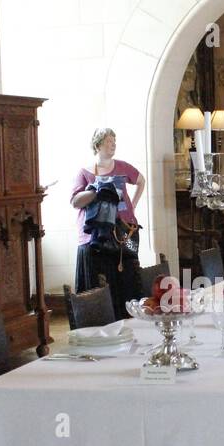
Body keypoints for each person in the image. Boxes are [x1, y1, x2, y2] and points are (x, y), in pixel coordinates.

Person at [70, 128, 145, 318]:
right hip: (97, 235)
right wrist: (97, 190)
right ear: (98, 145)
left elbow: (141, 180)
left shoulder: (122, 166)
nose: (113, 144)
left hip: (123, 231)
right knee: (101, 280)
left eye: (114, 141)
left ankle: (127, 317)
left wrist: (133, 205)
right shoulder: (85, 172)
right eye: (109, 141)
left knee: (127, 278)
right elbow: (75, 202)